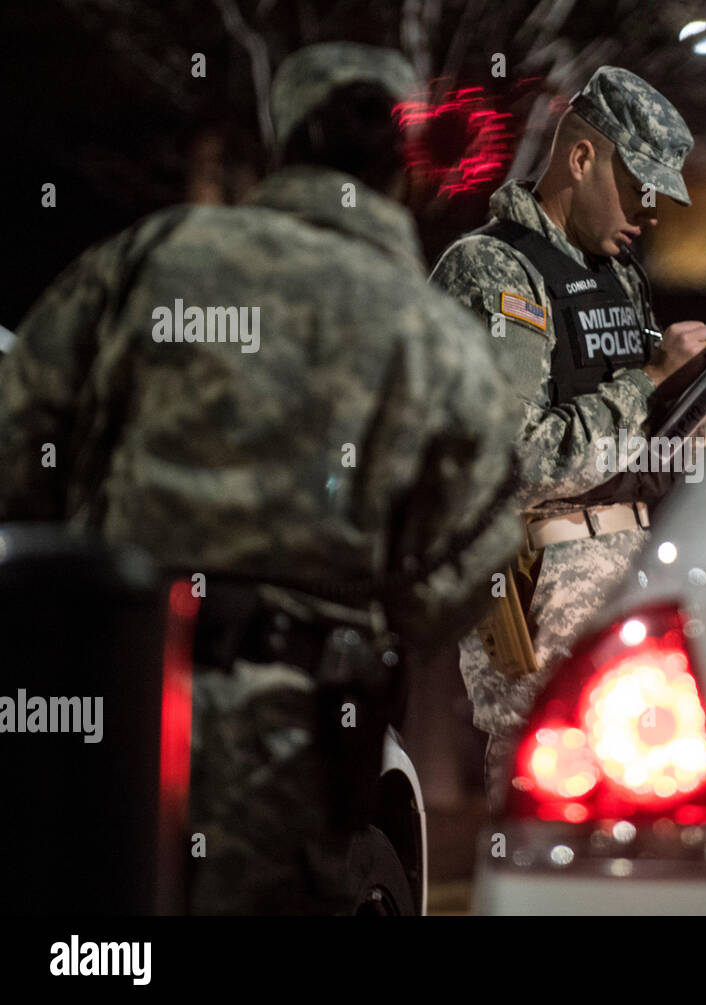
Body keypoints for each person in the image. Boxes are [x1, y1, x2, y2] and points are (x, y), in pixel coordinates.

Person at [0, 42, 521, 913]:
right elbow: (465, 568)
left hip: (106, 694)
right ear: (404, 165)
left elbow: (20, 443)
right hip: (298, 739)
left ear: (286, 144)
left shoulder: (152, 258)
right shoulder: (437, 341)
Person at [430, 65, 706, 807]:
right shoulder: (492, 270)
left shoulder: (617, 274)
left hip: (629, 575)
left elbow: (631, 449)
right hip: (542, 590)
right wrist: (648, 380)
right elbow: (516, 464)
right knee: (555, 814)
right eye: (641, 186)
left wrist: (704, 410)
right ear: (580, 159)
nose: (656, 210)